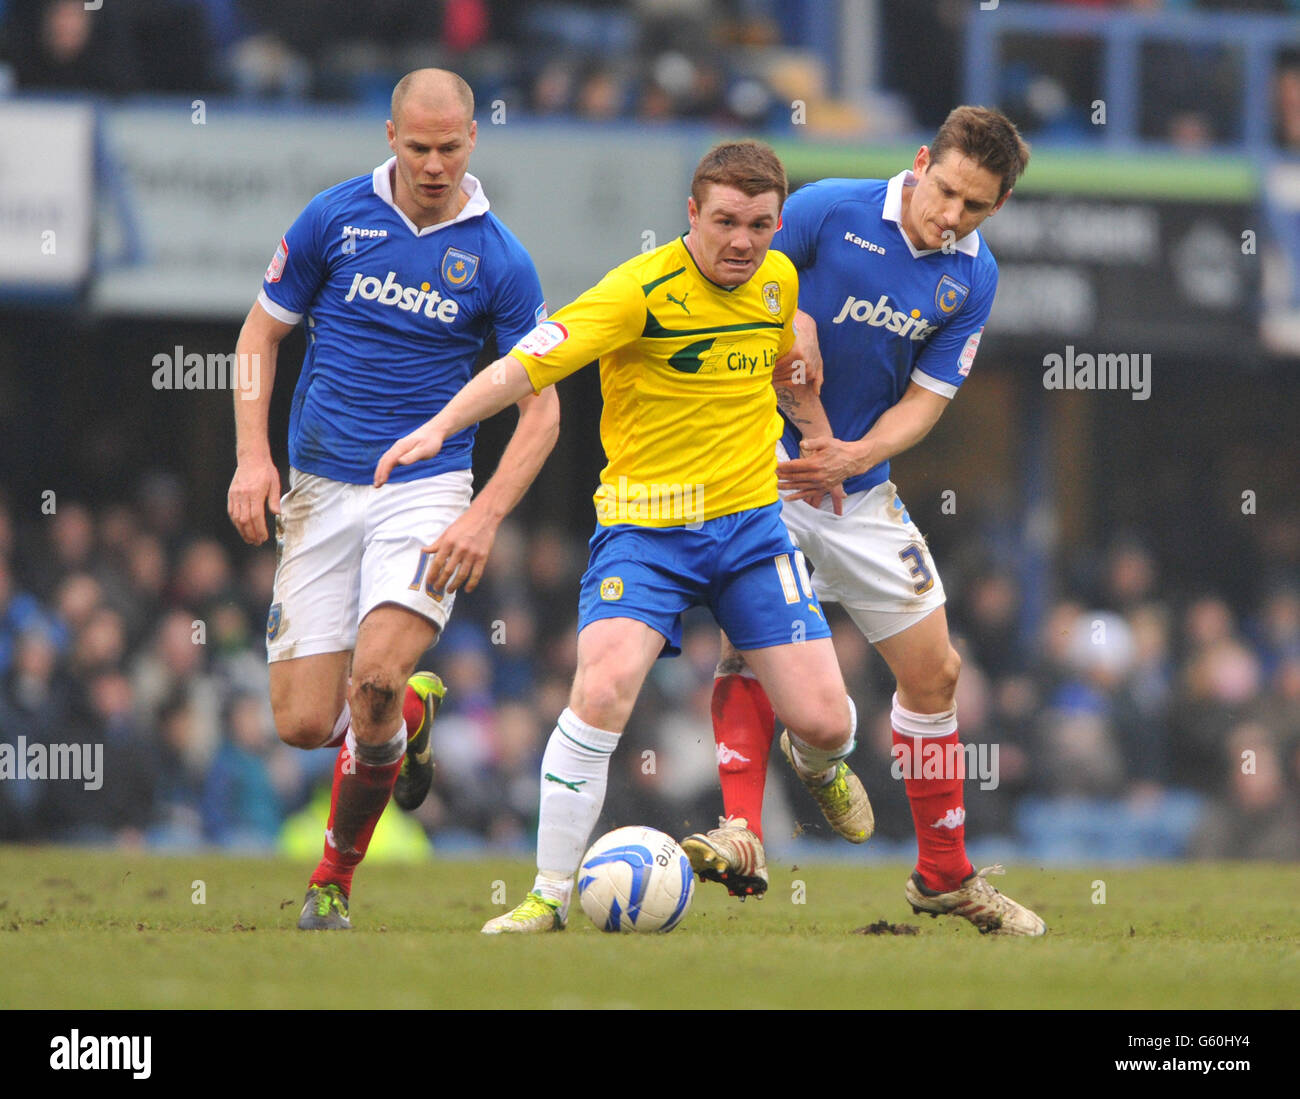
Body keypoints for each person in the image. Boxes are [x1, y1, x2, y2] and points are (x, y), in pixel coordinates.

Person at [374, 139, 872, 934]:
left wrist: (818, 446)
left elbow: (782, 367)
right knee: (600, 690)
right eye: (725, 221)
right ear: (691, 215)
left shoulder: (778, 284)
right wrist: (439, 425)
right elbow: (522, 368)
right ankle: (546, 896)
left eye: (760, 224)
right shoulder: (637, 291)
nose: (742, 240)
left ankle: (815, 761)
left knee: (829, 720)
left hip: (751, 531)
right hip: (646, 535)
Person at [683, 106, 1047, 935]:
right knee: (752, 643)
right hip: (758, 471)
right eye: (947, 191)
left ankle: (943, 875)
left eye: (977, 207)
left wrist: (850, 456)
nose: (953, 216)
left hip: (858, 489)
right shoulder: (826, 209)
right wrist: (789, 319)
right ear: (921, 162)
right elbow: (739, 290)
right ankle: (744, 830)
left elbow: (925, 404)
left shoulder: (975, 275)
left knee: (938, 672)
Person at [226, 68, 559, 931]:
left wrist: (482, 514)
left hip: (427, 487)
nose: (436, 163)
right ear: (389, 136)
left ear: (474, 140)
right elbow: (261, 332)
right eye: (419, 147)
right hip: (319, 487)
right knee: (305, 723)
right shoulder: (334, 218)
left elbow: (543, 406)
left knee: (371, 675)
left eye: (450, 147)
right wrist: (250, 459)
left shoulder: (500, 260)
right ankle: (411, 715)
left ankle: (331, 881)